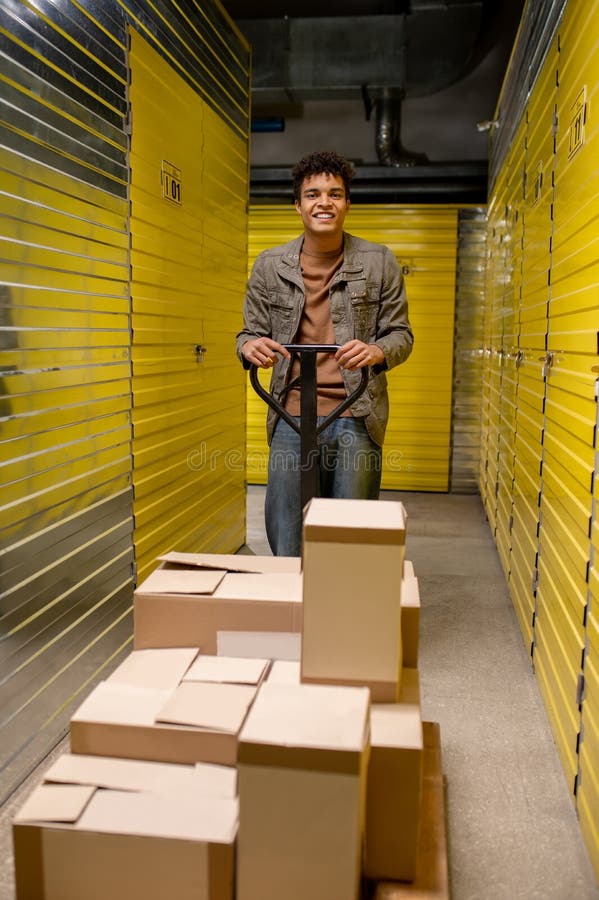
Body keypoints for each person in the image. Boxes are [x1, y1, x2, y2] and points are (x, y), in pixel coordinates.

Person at [236, 150, 414, 556]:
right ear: (298, 204)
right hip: (290, 413)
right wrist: (248, 346)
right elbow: (249, 333)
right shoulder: (269, 265)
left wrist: (375, 350)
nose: (324, 203)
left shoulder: (379, 261)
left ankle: (342, 610)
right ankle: (291, 608)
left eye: (335, 194)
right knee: (286, 528)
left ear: (347, 203)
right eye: (313, 194)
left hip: (357, 410)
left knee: (350, 534)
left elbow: (401, 335)